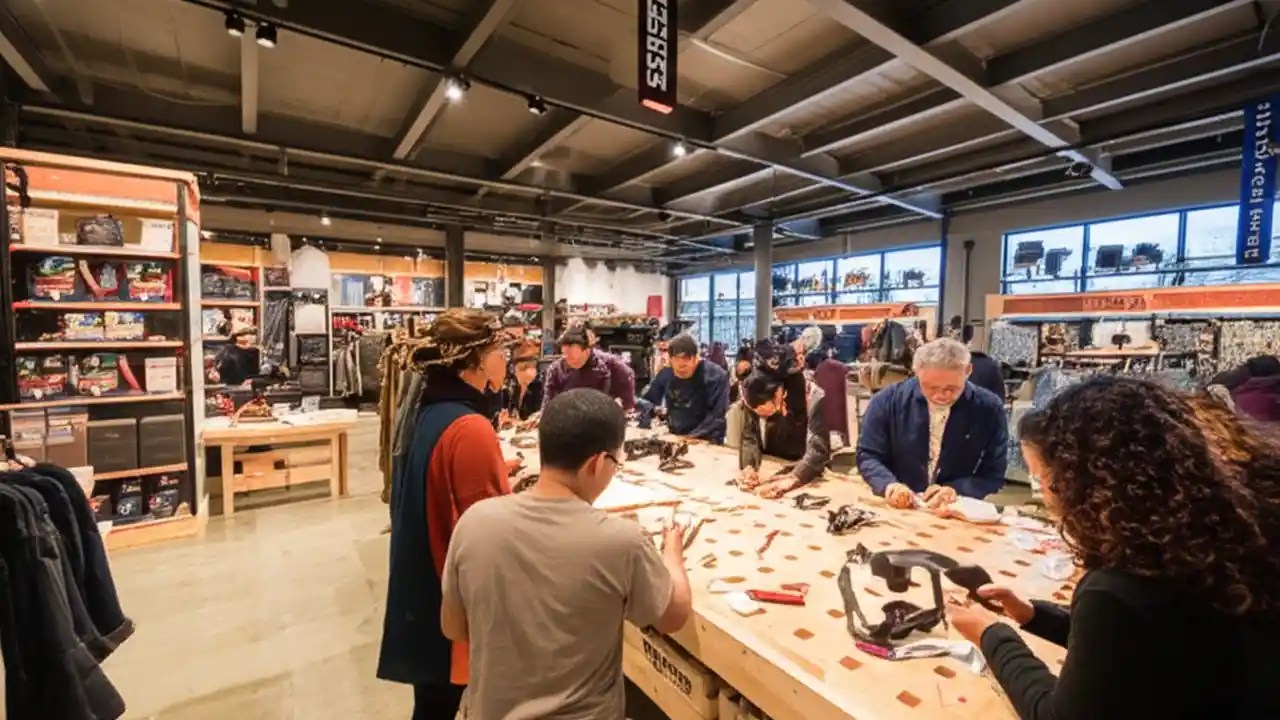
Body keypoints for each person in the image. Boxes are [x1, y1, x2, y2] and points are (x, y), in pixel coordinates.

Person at [948, 377, 1280, 719]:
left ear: (1082, 481)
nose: (1043, 497)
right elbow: (1137, 645)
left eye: (1043, 481)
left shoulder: (1120, 586)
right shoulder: (1216, 536)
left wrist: (991, 634)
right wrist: (1035, 615)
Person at [440, 389, 693, 718]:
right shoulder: (618, 542)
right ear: (598, 463)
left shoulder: (474, 522)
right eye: (615, 463)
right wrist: (672, 553)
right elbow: (674, 616)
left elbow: (454, 628)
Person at [376, 309, 515, 720]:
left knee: (432, 703)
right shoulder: (470, 428)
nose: (506, 360)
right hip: (450, 596)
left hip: (423, 583)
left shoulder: (426, 408)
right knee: (444, 703)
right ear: (473, 360)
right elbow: (489, 528)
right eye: (500, 351)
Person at [856, 338, 1007, 508]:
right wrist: (888, 485)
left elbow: (994, 473)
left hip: (956, 509)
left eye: (951, 388)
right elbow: (868, 454)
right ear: (916, 372)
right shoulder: (887, 401)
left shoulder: (989, 409)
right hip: (897, 508)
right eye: (931, 387)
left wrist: (956, 490)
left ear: (968, 371)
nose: (941, 395)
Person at [738, 368, 831, 499]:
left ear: (778, 394)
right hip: (772, 463)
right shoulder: (754, 389)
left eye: (766, 413)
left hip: (806, 464)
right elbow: (750, 435)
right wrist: (749, 466)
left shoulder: (812, 395)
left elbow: (818, 450)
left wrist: (795, 477)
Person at [640, 333, 730, 443]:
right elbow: (648, 401)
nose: (681, 373)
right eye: (677, 370)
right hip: (675, 436)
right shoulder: (667, 373)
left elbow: (717, 416)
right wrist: (652, 412)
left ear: (696, 359)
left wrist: (689, 438)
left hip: (707, 440)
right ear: (671, 361)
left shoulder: (716, 376)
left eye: (685, 369)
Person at [542, 326, 636, 410]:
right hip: (569, 413)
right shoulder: (555, 369)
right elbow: (548, 400)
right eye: (565, 356)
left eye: (574, 358)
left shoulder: (610, 363)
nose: (569, 362)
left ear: (587, 351)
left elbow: (628, 375)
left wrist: (626, 406)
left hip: (602, 411)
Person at [499, 340, 543, 424]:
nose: (530, 372)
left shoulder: (539, 388)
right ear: (513, 369)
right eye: (524, 368)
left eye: (533, 366)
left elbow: (538, 415)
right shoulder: (506, 390)